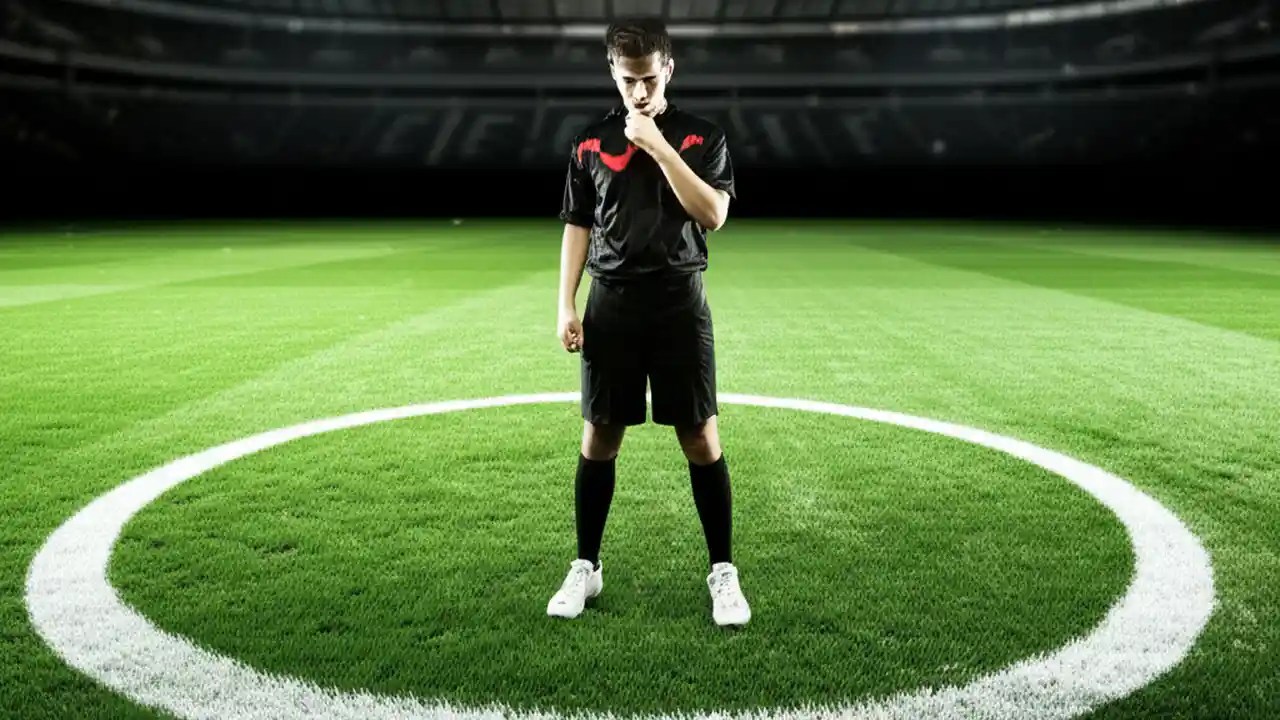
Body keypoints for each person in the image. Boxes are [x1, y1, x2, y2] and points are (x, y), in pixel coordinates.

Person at [547, 17, 750, 627]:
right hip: (611, 303)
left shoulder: (700, 137)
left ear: (669, 70)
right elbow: (577, 225)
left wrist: (657, 144)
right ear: (613, 72)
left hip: (678, 302)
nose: (640, 92)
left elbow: (712, 213)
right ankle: (586, 566)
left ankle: (723, 572)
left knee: (700, 437)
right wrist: (565, 303)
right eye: (629, 79)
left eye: (650, 78)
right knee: (599, 437)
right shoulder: (589, 143)